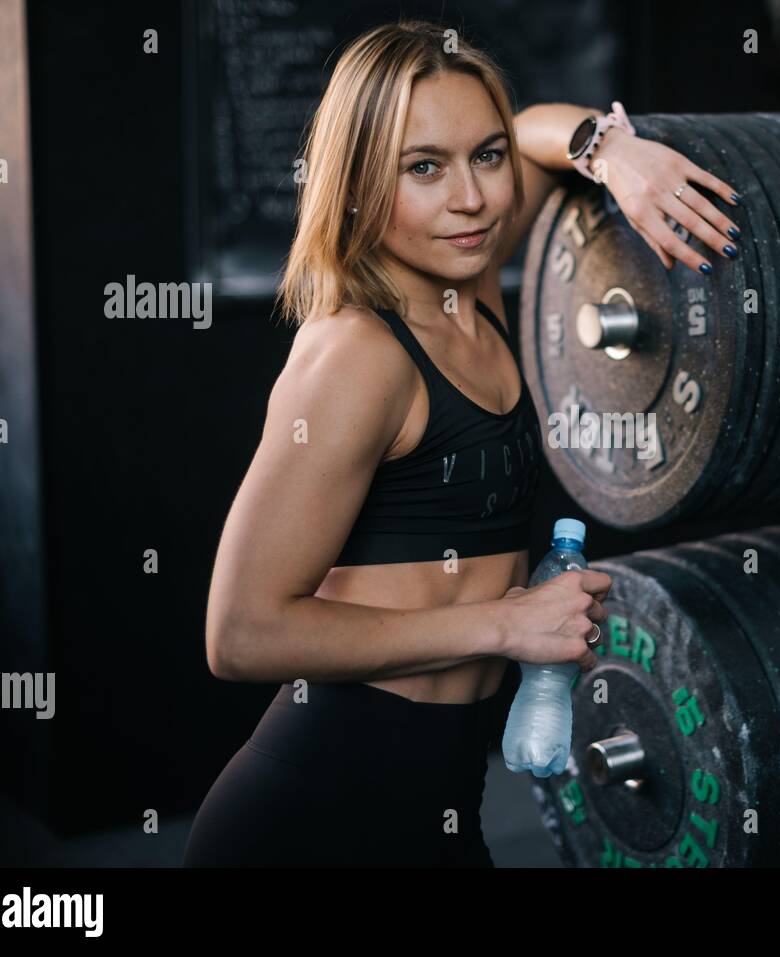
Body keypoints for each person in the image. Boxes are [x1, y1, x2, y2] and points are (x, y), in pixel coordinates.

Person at [182, 18, 742, 867]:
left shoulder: (465, 287)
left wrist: (610, 151)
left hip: (439, 797)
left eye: (480, 158)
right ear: (360, 184)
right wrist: (506, 625)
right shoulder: (357, 354)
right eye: (422, 168)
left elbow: (530, 135)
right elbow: (241, 632)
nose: (473, 197)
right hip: (315, 811)